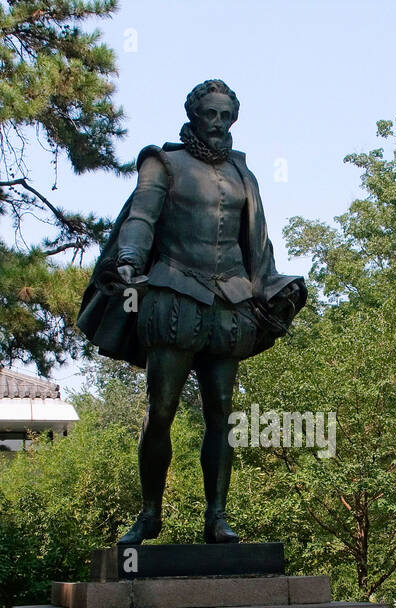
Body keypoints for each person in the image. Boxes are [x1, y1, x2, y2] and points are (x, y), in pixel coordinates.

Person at [77, 79, 306, 545]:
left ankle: (217, 516)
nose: (219, 123)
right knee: (159, 411)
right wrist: (129, 259)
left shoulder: (244, 175)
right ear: (194, 114)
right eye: (211, 114)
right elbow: (142, 217)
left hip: (230, 304)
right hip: (173, 295)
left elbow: (257, 244)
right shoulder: (163, 163)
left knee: (222, 414)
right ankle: (149, 514)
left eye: (226, 116)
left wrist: (273, 287)